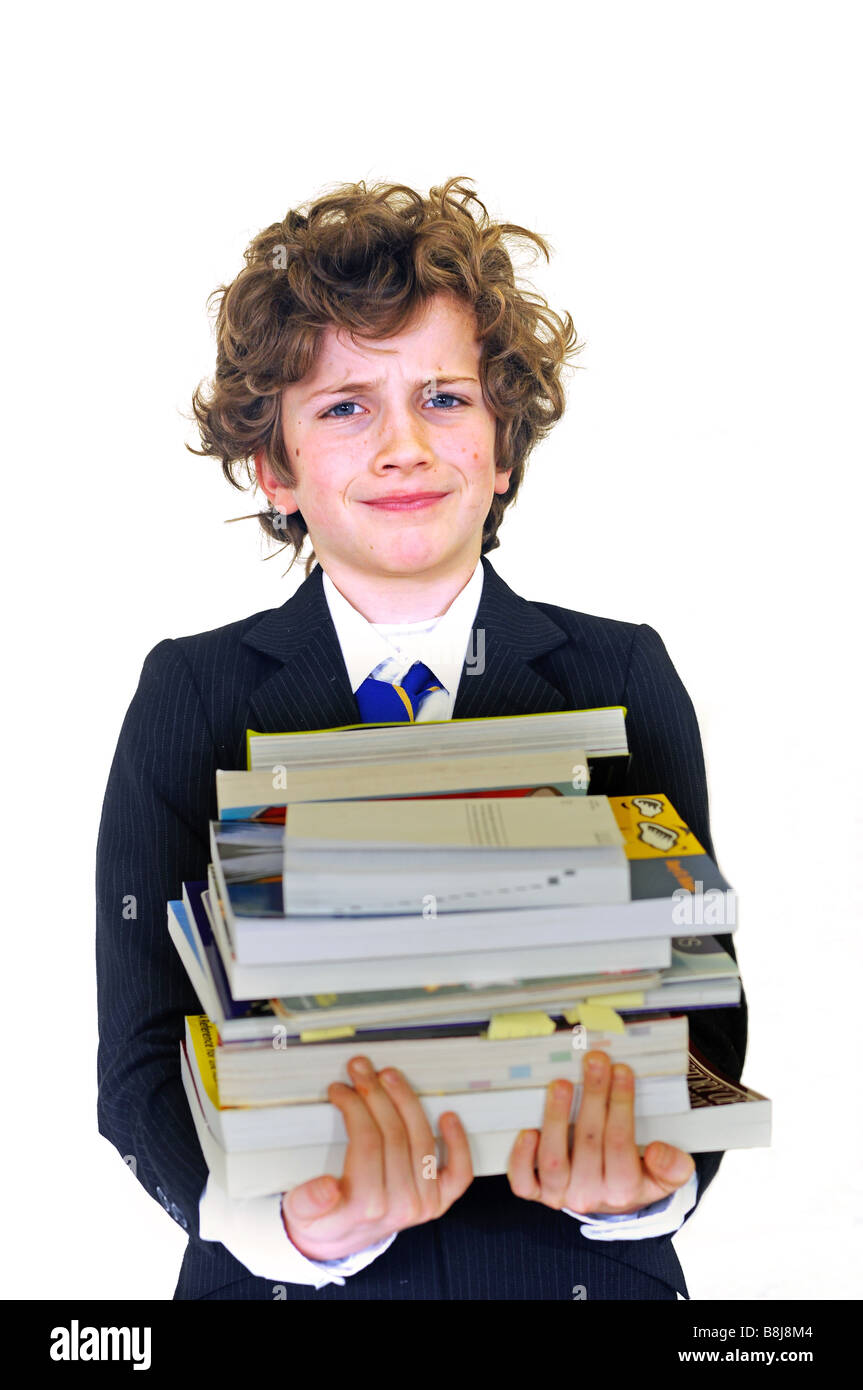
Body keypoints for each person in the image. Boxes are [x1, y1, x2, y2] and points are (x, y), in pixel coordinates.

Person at [96, 178, 747, 1301]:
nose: (401, 444)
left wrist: (646, 1184)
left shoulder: (619, 676)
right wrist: (288, 1225)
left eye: (443, 398)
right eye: (345, 406)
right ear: (276, 469)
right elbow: (141, 1058)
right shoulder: (191, 694)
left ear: (501, 451)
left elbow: (702, 1006)